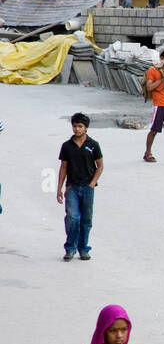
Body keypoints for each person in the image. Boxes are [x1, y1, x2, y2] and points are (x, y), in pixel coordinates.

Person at [57, 112, 103, 261]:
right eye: (75, 126)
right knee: (72, 217)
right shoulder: (67, 146)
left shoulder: (93, 145)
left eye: (80, 126)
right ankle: (70, 247)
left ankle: (83, 248)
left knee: (86, 220)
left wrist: (92, 183)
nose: (77, 129)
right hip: (72, 187)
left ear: (86, 128)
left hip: (88, 188)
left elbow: (100, 166)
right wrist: (60, 187)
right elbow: (63, 166)